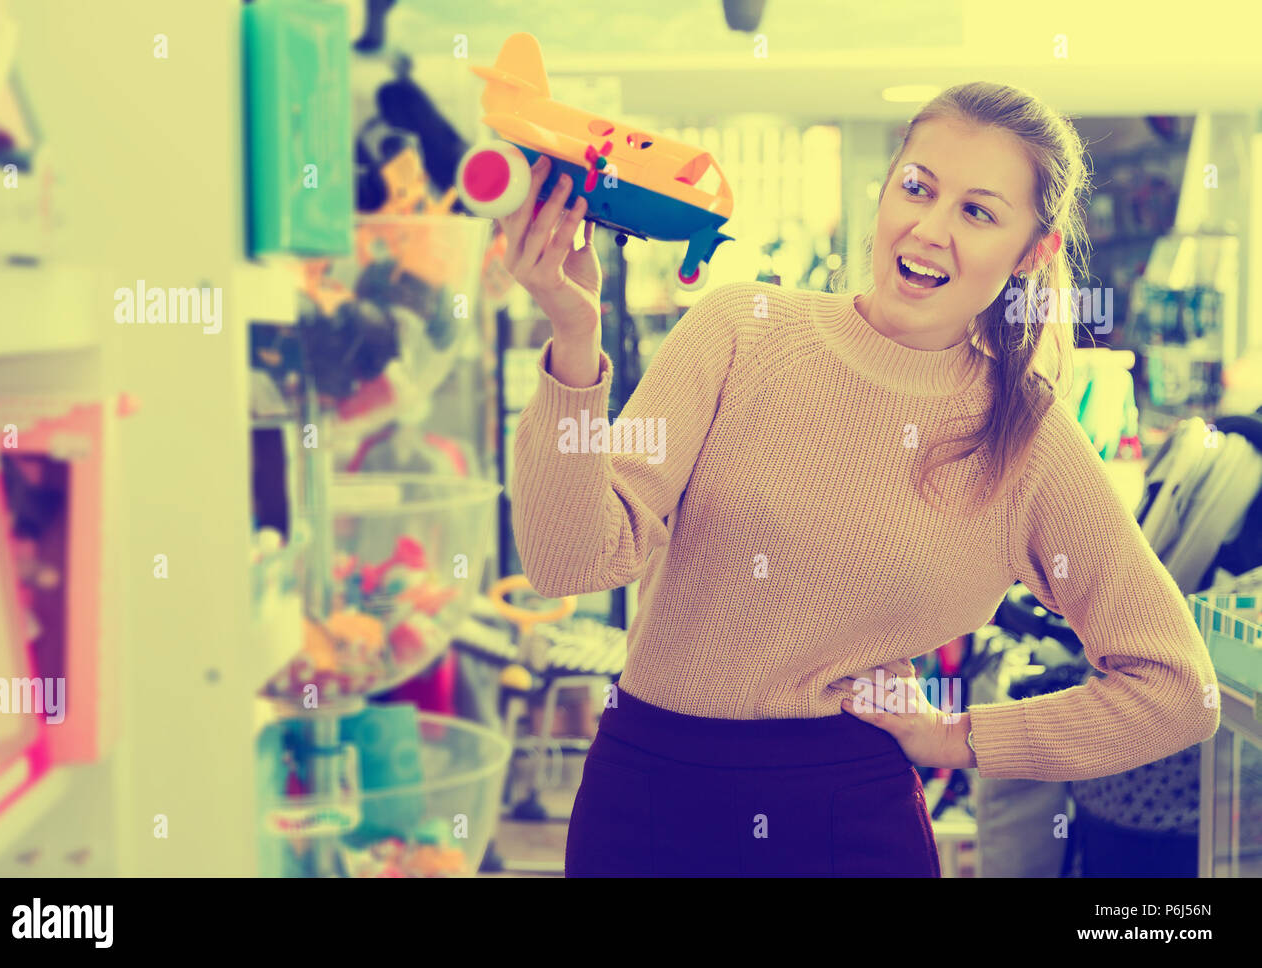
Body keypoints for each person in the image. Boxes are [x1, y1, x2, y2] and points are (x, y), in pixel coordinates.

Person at [499, 82, 1221, 877]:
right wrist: (572, 341)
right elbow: (569, 563)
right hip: (646, 796)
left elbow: (1177, 690)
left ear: (1032, 253)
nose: (929, 228)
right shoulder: (740, 331)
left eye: (978, 212)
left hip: (844, 820)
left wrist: (957, 735)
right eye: (918, 187)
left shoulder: (1030, 438)